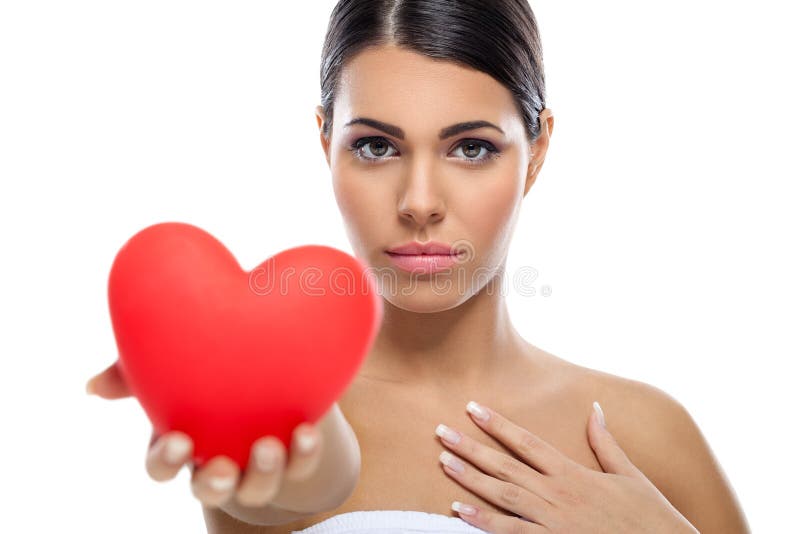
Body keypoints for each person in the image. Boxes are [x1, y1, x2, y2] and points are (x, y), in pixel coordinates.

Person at [86, 1, 751, 532]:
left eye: (471, 148)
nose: (419, 202)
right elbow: (290, 487)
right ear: (326, 143)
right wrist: (297, 464)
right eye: (376, 146)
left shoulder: (646, 436)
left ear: (538, 151)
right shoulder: (279, 426)